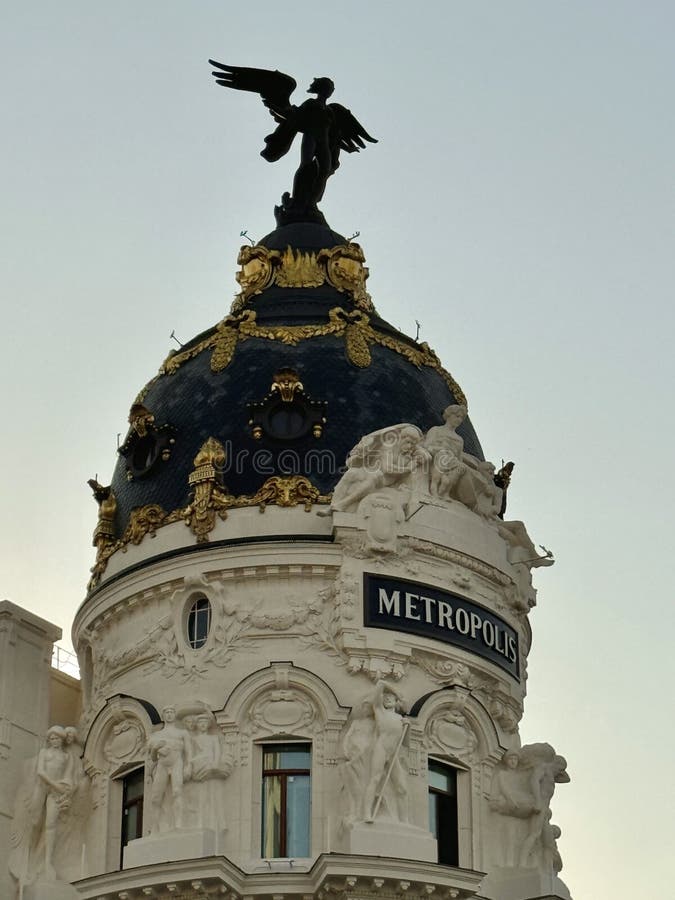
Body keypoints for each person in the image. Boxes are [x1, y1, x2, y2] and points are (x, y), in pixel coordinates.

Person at [362, 681, 408, 823]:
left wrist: (408, 727)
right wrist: (396, 690)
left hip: (393, 753)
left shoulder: (400, 719)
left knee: (402, 788)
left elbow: (406, 742)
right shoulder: (380, 711)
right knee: (375, 779)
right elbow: (380, 684)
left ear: (396, 702)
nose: (387, 699)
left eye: (391, 697)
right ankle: (367, 814)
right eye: (385, 697)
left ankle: (404, 820)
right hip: (381, 748)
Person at [145, 706, 191, 833]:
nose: (169, 715)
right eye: (167, 713)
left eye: (171, 712)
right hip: (162, 765)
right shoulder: (156, 735)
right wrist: (156, 749)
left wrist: (188, 766)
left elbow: (188, 752)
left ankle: (178, 824)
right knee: (156, 797)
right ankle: (155, 827)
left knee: (177, 792)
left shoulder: (182, 733)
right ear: (163, 716)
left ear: (175, 715)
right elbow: (153, 758)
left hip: (177, 763)